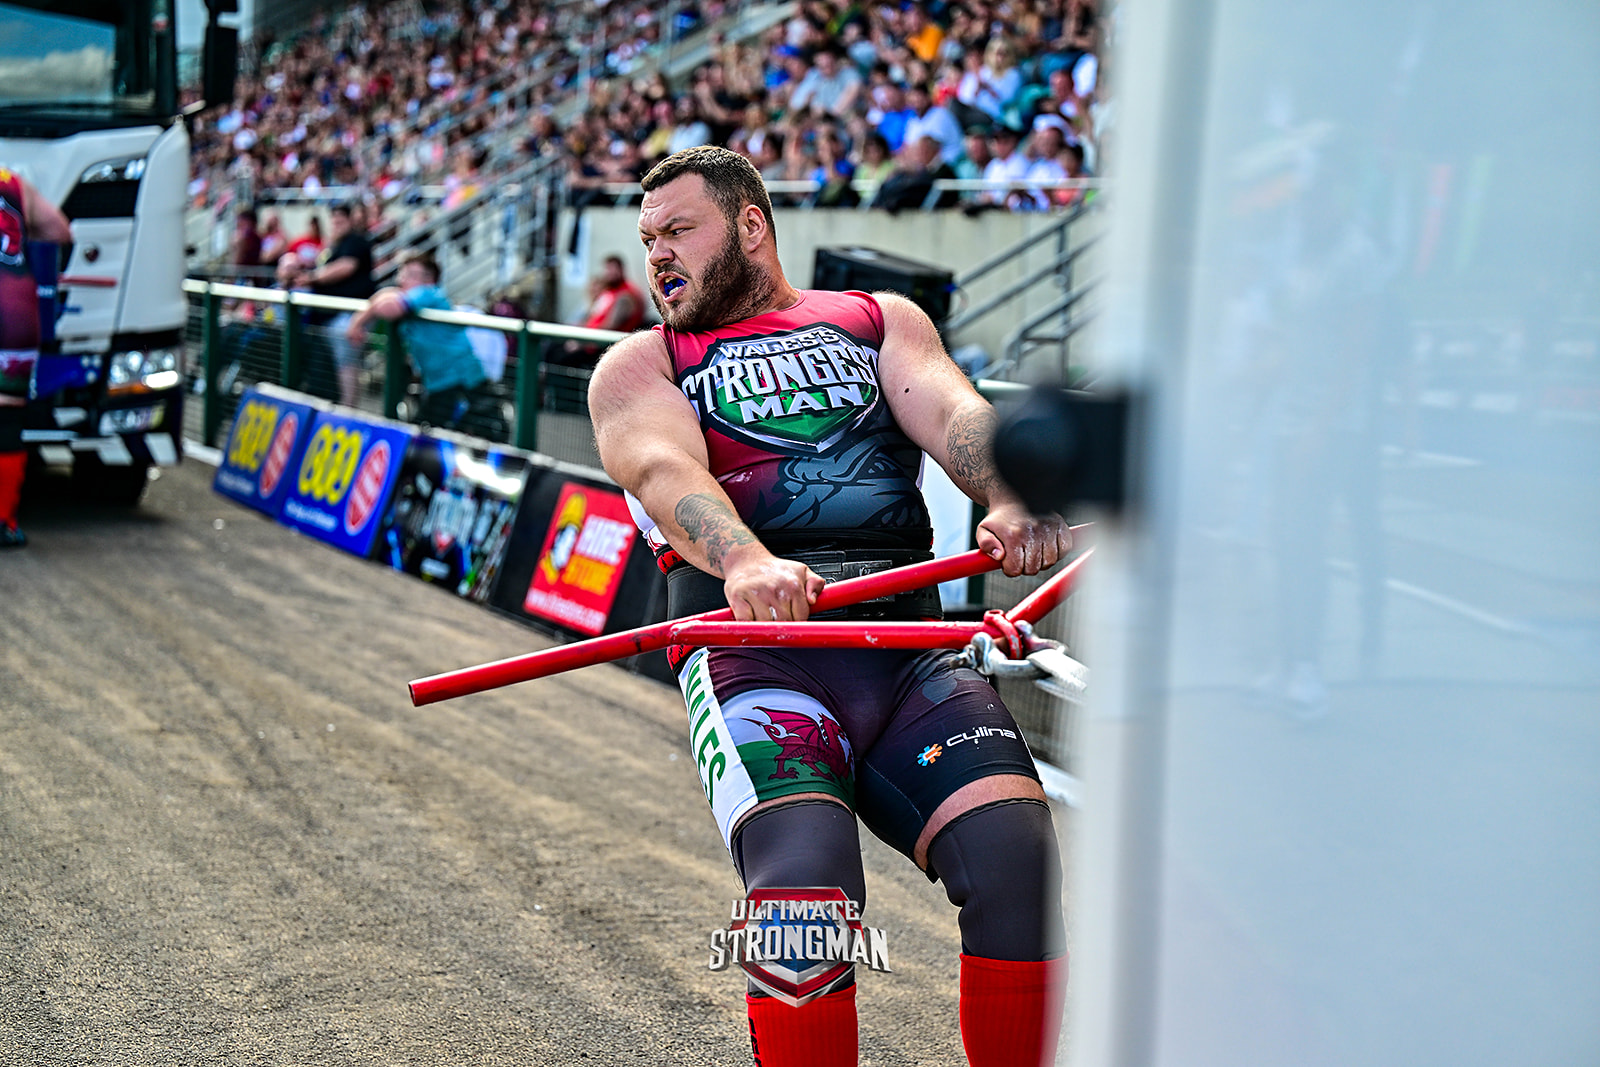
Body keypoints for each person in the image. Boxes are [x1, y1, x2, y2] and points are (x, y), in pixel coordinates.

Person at [589, 146, 1069, 1067]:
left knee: (1019, 858)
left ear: (751, 226)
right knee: (804, 906)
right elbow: (662, 471)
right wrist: (746, 559)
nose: (657, 254)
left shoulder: (876, 320)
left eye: (678, 229)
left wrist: (1010, 495)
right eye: (647, 238)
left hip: (907, 647)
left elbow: (951, 410)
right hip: (754, 658)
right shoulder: (641, 362)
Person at [346, 251, 498, 435]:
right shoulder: (414, 296)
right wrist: (360, 319)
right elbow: (385, 300)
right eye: (402, 274)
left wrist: (361, 319)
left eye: (410, 275)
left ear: (429, 279)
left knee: (465, 435)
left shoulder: (428, 293)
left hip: (461, 380)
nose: (402, 280)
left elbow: (389, 307)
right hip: (440, 382)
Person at [0, 166, 72, 548]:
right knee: (7, 418)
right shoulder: (13, 183)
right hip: (15, 305)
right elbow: (60, 231)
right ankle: (3, 522)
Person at [306, 201, 375, 407]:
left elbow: (346, 267)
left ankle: (349, 408)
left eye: (341, 219)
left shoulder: (355, 241)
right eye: (334, 219)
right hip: (329, 316)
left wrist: (311, 277)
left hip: (349, 315)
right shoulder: (334, 245)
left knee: (346, 362)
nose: (337, 223)